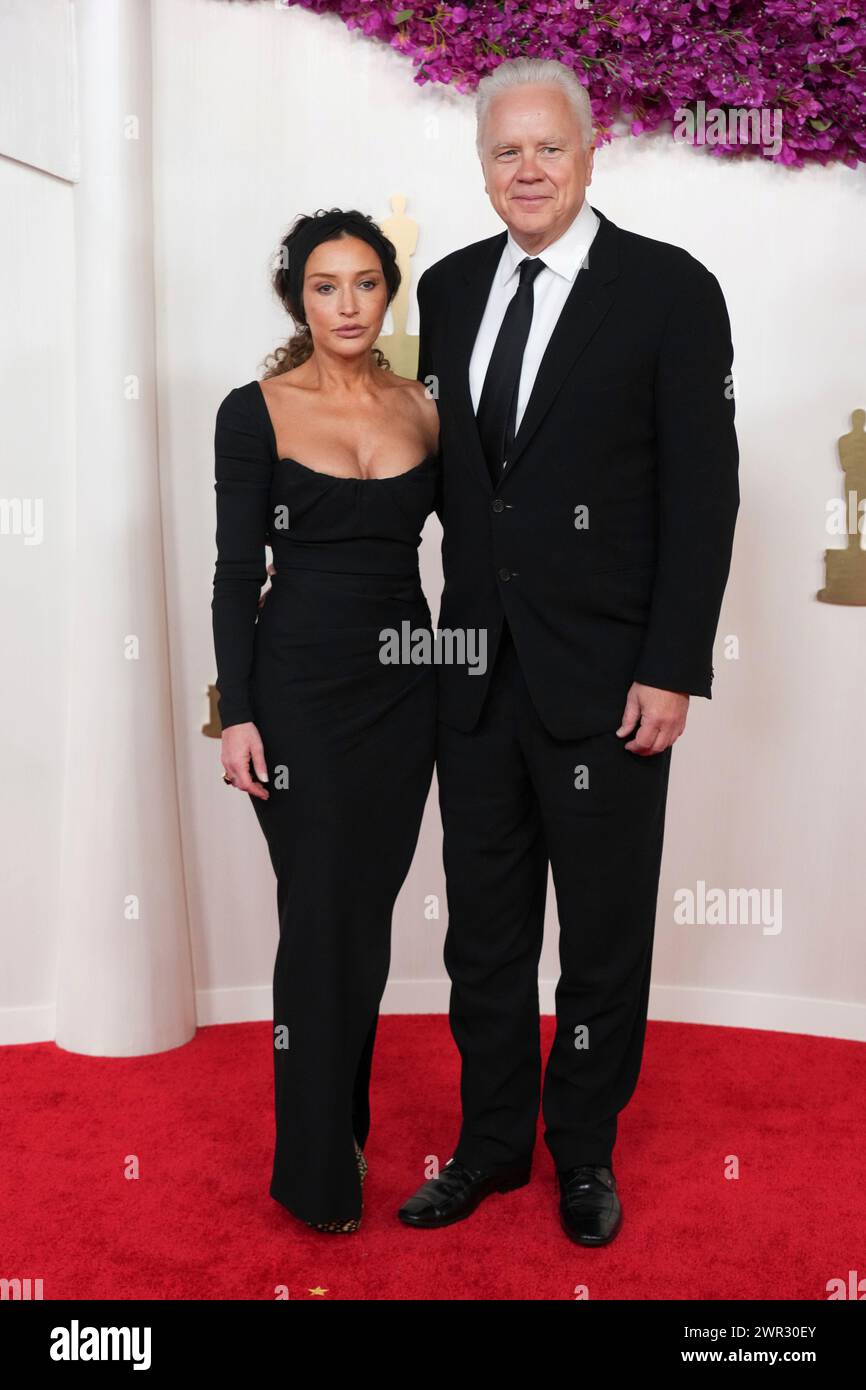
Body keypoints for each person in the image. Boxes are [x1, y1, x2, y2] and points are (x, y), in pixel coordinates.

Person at [398, 58, 740, 1244]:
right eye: (505, 151)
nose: (527, 170)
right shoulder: (442, 291)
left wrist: (670, 664)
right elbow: (438, 483)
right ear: (482, 165)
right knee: (481, 933)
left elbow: (703, 497)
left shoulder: (666, 291)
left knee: (600, 937)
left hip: (609, 684)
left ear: (591, 154)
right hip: (473, 679)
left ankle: (581, 1151)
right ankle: (490, 1145)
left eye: (548, 148)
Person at [211, 209, 439, 1233]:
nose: (345, 304)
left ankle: (338, 1134)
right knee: (316, 919)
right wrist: (237, 715)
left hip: (405, 690)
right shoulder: (253, 409)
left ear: (387, 292)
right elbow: (232, 574)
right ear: (295, 299)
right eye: (322, 286)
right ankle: (313, 1167)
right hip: (296, 690)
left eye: (363, 284)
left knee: (362, 917)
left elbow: (480, 556)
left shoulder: (426, 409)